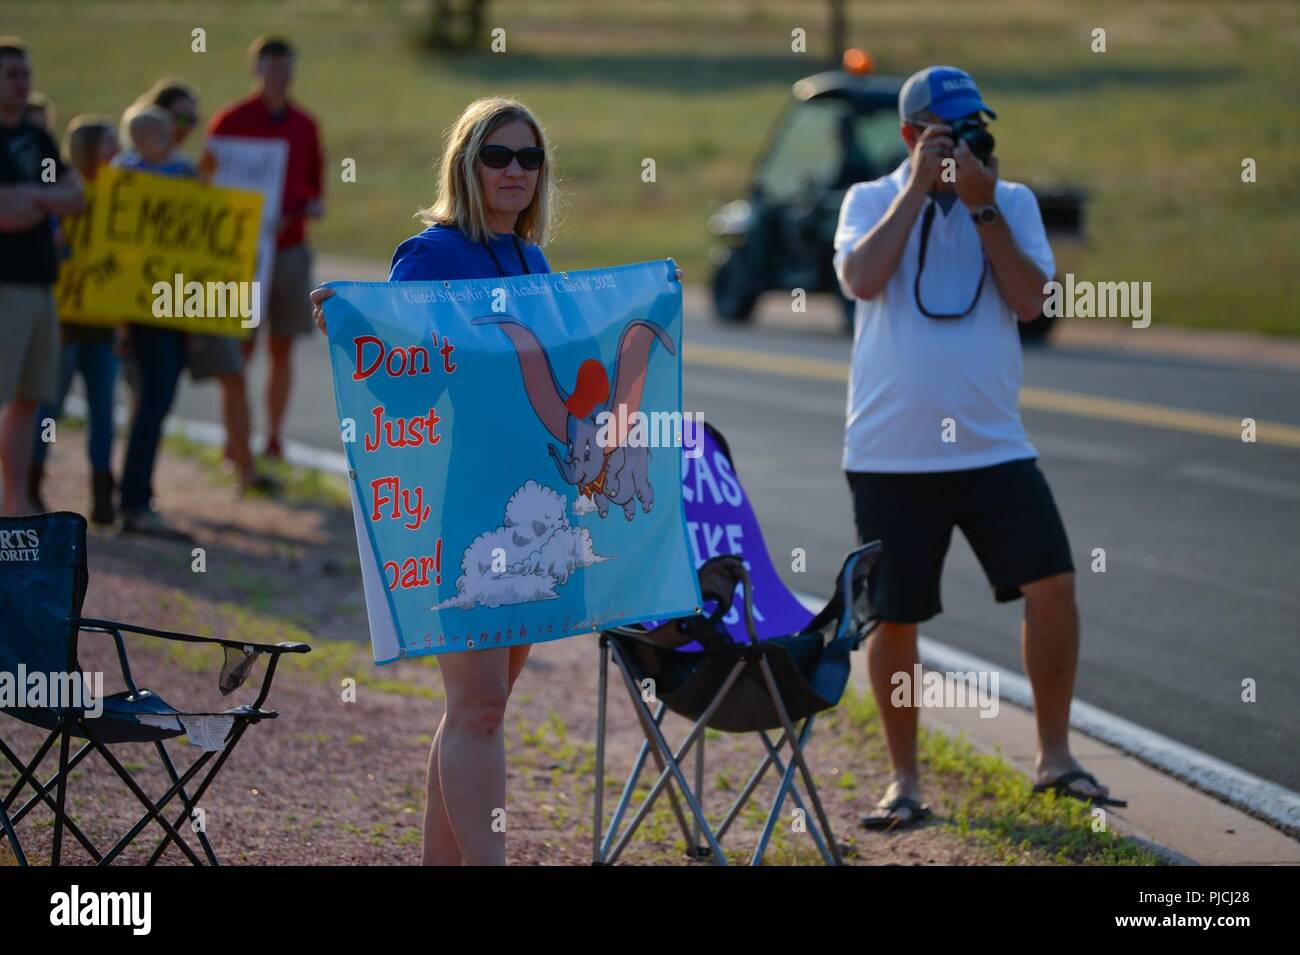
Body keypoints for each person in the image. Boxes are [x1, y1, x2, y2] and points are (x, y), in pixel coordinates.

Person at [834, 66, 1125, 830]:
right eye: (947, 130)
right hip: (891, 453)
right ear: (911, 135)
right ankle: (903, 779)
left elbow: (1032, 301)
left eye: (973, 128)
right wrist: (917, 190)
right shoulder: (869, 199)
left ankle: (1054, 756)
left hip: (993, 447)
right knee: (896, 618)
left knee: (1054, 585)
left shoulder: (1013, 200)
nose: (966, 142)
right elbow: (862, 279)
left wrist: (981, 205)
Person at [313, 98, 557, 866]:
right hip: (467, 502)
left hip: (538, 505)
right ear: (466, 163)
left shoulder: (534, 260)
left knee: (479, 710)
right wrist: (358, 335)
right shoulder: (430, 256)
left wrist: (651, 300)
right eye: (498, 155)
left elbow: (560, 380)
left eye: (529, 158)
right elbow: (409, 393)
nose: (515, 170)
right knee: (479, 707)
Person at [141, 78, 276, 496]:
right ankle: (134, 487)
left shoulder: (192, 170)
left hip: (202, 290)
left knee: (233, 372)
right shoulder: (132, 168)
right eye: (178, 116)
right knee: (152, 394)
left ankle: (245, 470)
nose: (186, 125)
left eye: (191, 118)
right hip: (155, 295)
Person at [208, 36, 323, 461]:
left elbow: (316, 187)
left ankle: (273, 438)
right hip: (242, 254)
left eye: (286, 67)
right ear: (256, 70)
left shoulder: (305, 124)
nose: (280, 75)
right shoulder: (230, 121)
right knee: (237, 348)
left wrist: (306, 207)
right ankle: (234, 440)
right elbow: (210, 184)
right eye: (272, 67)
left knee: (283, 346)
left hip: (290, 248)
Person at [0, 37, 85, 516]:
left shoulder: (37, 139)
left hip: (41, 286)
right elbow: (6, 215)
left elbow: (76, 196)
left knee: (28, 400)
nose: (22, 83)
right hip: (5, 287)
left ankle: (14, 502)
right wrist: (41, 198)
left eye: (25, 74)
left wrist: (30, 197)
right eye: (11, 74)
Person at [29, 116, 120, 523]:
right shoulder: (63, 194)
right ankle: (30, 486)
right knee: (48, 409)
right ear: (86, 149)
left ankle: (102, 495)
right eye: (108, 144)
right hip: (65, 319)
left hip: (103, 322)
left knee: (103, 412)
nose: (116, 152)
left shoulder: (123, 194)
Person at [112, 104, 194, 537]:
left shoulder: (184, 173)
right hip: (142, 307)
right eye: (155, 133)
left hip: (179, 302)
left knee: (158, 400)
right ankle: (132, 499)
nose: (167, 139)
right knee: (151, 399)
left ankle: (136, 495)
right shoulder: (124, 176)